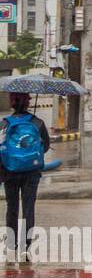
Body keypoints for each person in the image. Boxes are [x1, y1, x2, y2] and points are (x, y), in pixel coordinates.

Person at [0, 93, 51, 259]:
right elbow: (45, 147)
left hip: (10, 171)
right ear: (28, 102)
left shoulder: (5, 123)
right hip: (32, 172)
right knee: (29, 208)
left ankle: (11, 244)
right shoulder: (37, 122)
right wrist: (29, 155)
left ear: (12, 103)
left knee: (12, 207)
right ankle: (26, 246)